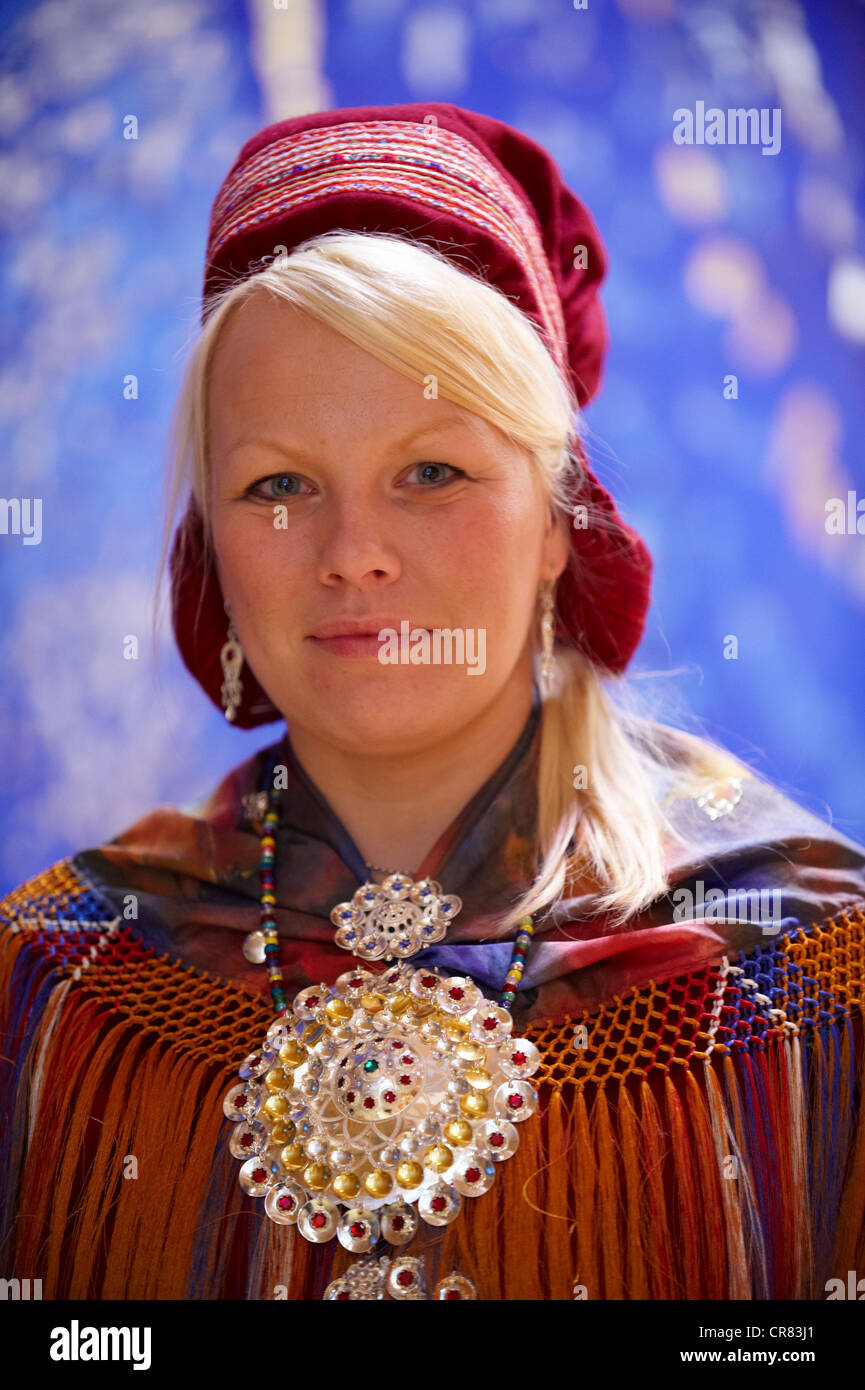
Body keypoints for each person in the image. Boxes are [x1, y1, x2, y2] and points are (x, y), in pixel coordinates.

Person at [2, 101, 865, 1302]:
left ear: (562, 520)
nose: (353, 551)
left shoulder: (807, 974)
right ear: (210, 547)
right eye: (279, 484)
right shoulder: (62, 981)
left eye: (431, 471)